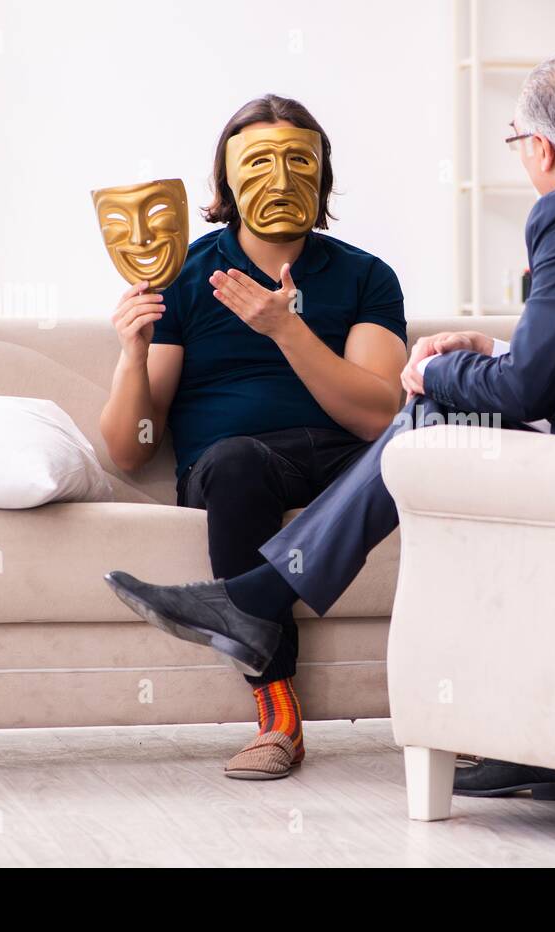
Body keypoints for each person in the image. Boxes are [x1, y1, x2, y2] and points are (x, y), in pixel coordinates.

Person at [106, 53, 555, 793]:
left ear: (543, 147)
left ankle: (256, 598)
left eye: (515, 140)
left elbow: (521, 387)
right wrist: (488, 349)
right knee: (428, 426)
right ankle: (541, 753)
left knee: (430, 417)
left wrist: (430, 372)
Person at [99, 95, 408, 779]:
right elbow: (129, 450)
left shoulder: (365, 276)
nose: (279, 180)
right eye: (259, 163)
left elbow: (379, 417)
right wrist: (131, 352)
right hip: (234, 464)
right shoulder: (183, 273)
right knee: (239, 462)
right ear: (226, 183)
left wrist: (286, 329)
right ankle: (276, 713)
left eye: (299, 163)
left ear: (322, 178)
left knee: (422, 440)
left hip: (339, 459)